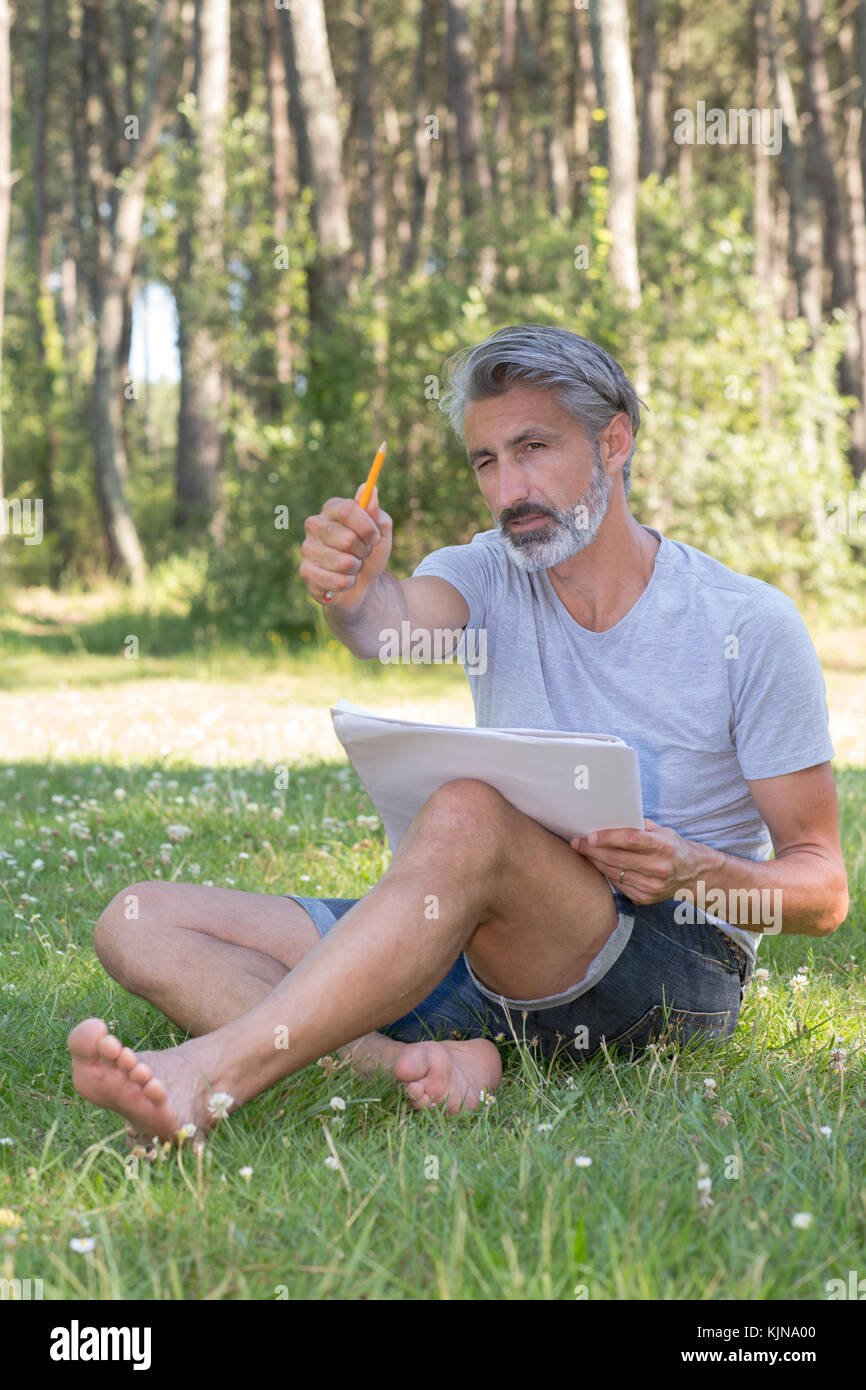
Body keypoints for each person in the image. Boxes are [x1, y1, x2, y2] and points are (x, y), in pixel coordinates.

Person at [68, 323, 848, 1141]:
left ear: (613, 441)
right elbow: (390, 624)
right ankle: (419, 1065)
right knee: (139, 921)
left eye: (534, 447)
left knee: (469, 809)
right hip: (491, 928)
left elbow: (823, 891)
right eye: (487, 461)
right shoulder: (489, 572)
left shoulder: (748, 624)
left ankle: (206, 1076)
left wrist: (693, 869)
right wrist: (352, 592)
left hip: (668, 960)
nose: (510, 491)